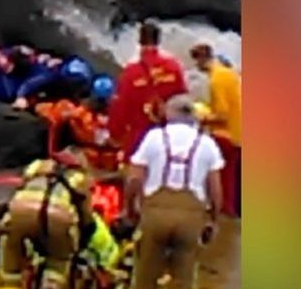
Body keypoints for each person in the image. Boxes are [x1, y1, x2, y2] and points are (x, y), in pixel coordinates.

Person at [123, 96, 224, 289]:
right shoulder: (207, 144)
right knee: (184, 270)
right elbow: (215, 188)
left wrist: (130, 209)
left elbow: (134, 178)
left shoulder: (154, 138)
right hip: (191, 215)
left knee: (146, 267)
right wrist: (213, 218)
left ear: (168, 114)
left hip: (155, 212)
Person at [0, 150, 118, 289]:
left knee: (11, 244)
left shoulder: (37, 166)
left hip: (20, 209)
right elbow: (87, 217)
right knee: (60, 258)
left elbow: (22, 186)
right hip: (59, 216)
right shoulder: (80, 178)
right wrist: (83, 237)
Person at [107, 20, 188, 155]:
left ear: (139, 41)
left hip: (140, 142)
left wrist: (115, 135)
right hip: (170, 142)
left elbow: (119, 108)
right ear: (159, 40)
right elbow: (184, 102)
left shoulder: (130, 73)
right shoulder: (173, 67)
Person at [190, 43, 242, 217]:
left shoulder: (216, 80)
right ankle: (231, 214)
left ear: (202, 60)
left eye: (197, 63)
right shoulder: (229, 73)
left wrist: (202, 117)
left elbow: (222, 115)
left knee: (221, 184)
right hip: (238, 134)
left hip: (223, 137)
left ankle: (222, 216)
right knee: (232, 184)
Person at [34, 74, 120, 171]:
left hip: (111, 165)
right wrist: (53, 152)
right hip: (83, 159)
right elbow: (52, 118)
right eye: (100, 101)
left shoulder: (121, 119)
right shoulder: (78, 113)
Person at [0, 46, 94, 110]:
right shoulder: (6, 86)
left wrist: (47, 58)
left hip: (48, 76)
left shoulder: (20, 57)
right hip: (37, 85)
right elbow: (26, 87)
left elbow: (39, 76)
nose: (3, 61)